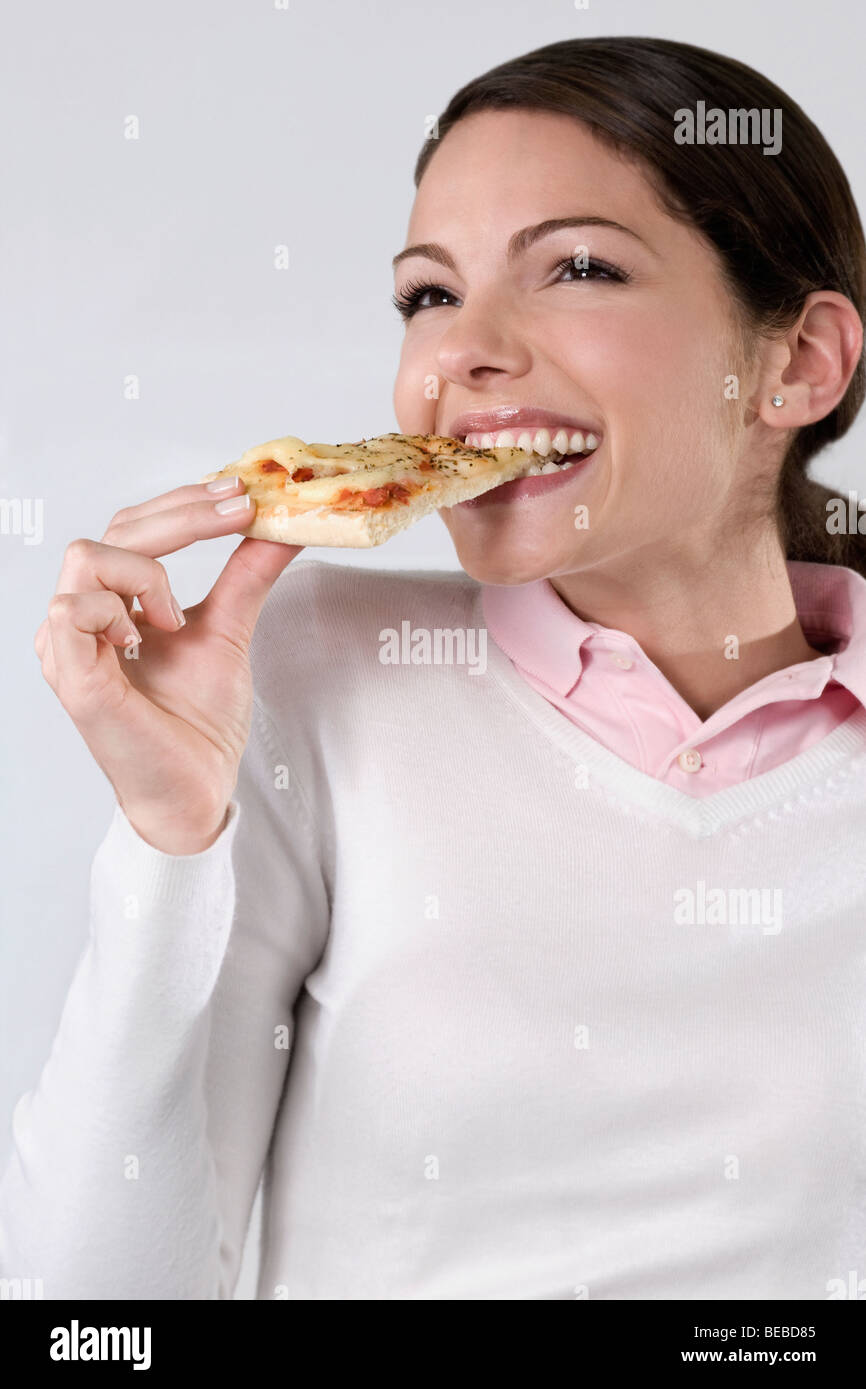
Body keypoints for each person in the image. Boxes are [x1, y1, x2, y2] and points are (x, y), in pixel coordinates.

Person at [2, 35, 865, 1300]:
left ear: (793, 364)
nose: (457, 355)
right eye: (427, 295)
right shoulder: (301, 672)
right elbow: (95, 1320)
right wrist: (172, 843)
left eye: (576, 267)